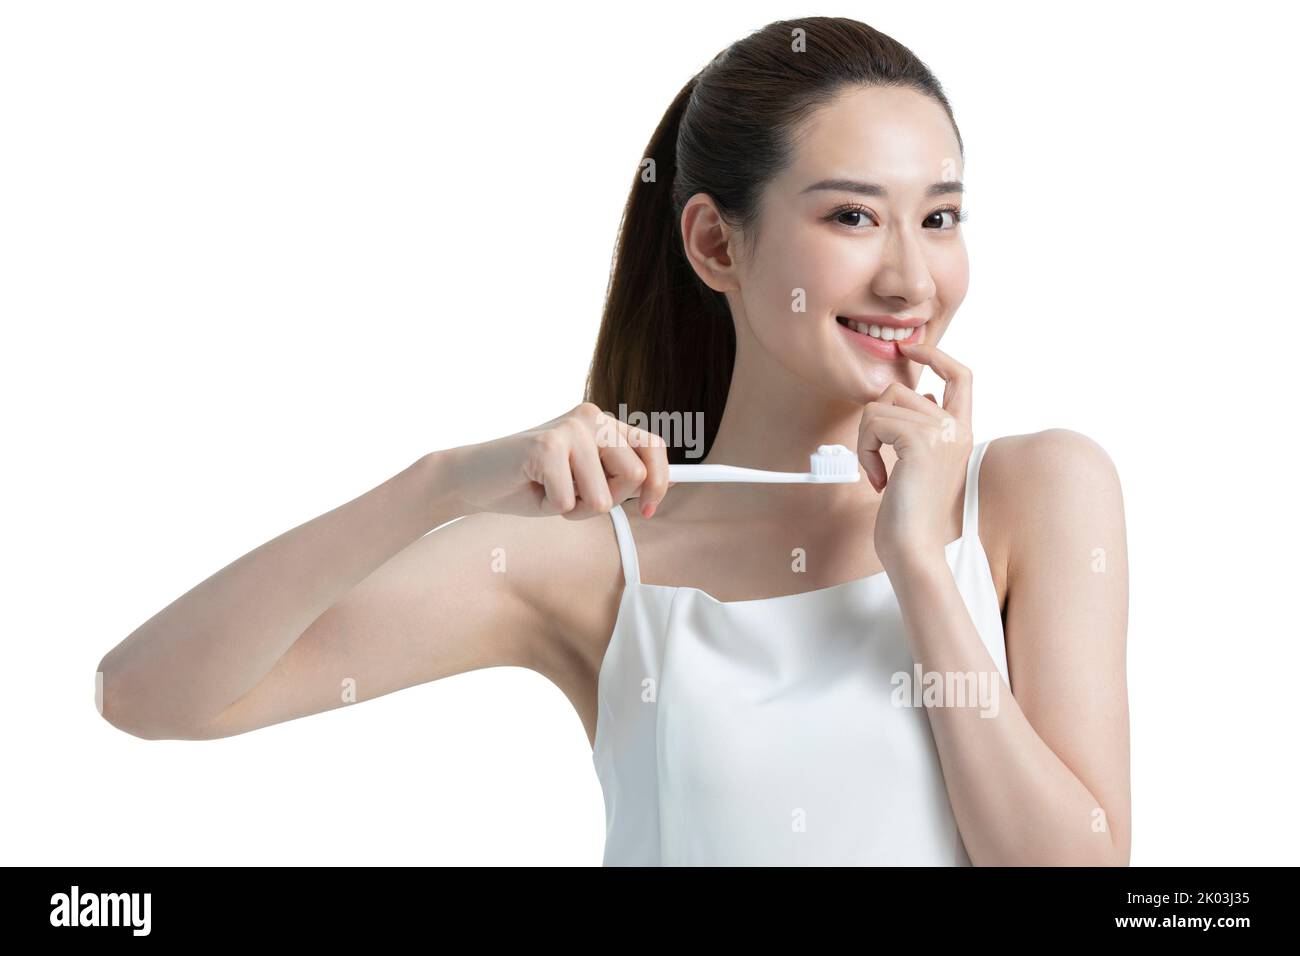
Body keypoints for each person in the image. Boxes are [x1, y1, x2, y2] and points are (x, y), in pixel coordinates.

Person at [96, 16, 1130, 866]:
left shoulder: (1035, 492)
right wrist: (439, 483)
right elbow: (145, 694)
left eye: (939, 219)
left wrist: (919, 564)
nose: (910, 279)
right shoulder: (600, 554)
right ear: (715, 243)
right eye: (854, 218)